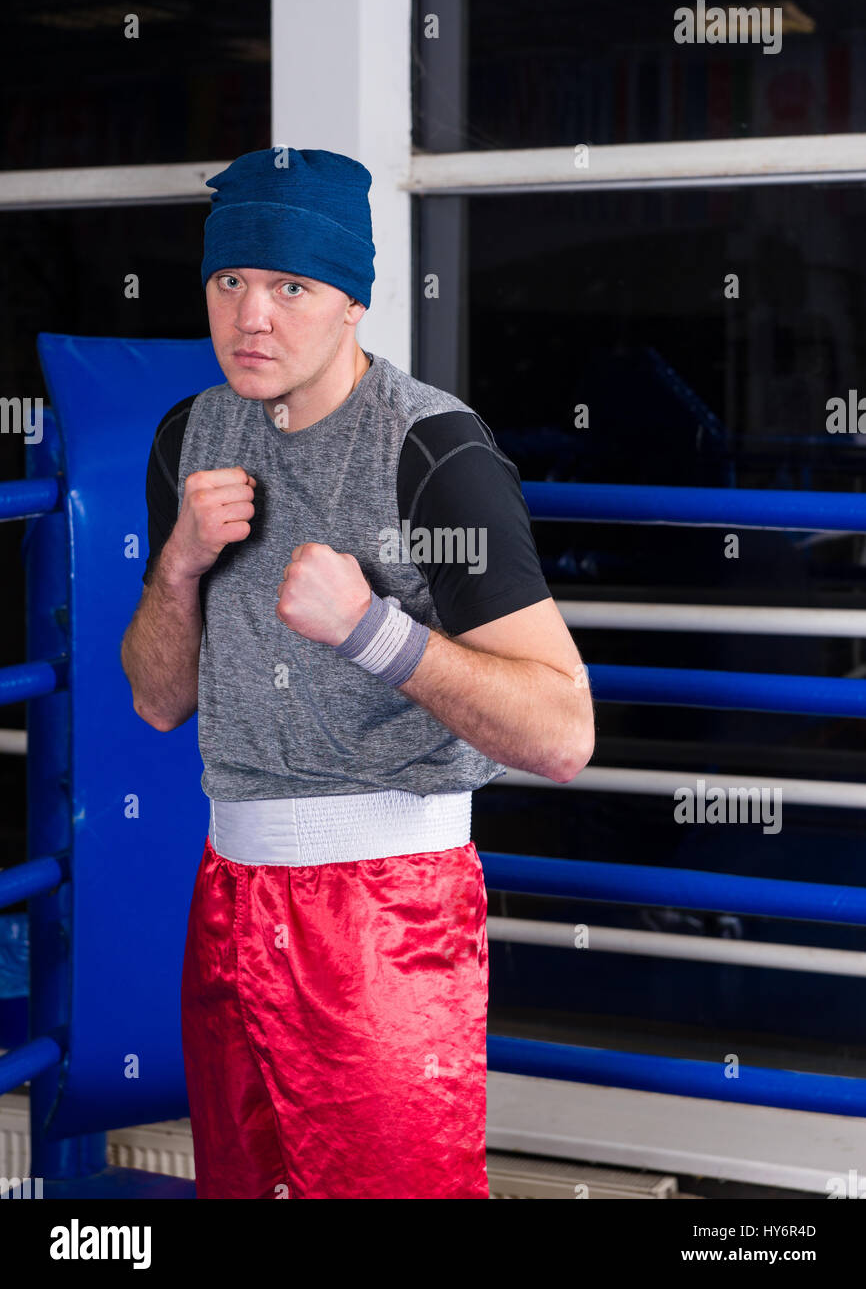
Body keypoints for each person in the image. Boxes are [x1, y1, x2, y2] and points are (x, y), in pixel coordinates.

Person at [120, 145, 595, 1200]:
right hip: (231, 893)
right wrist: (181, 564)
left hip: (385, 912)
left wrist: (372, 630)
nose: (253, 317)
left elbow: (562, 730)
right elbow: (156, 699)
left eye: (291, 287)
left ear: (352, 304)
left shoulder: (432, 451)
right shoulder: (188, 437)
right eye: (230, 281)